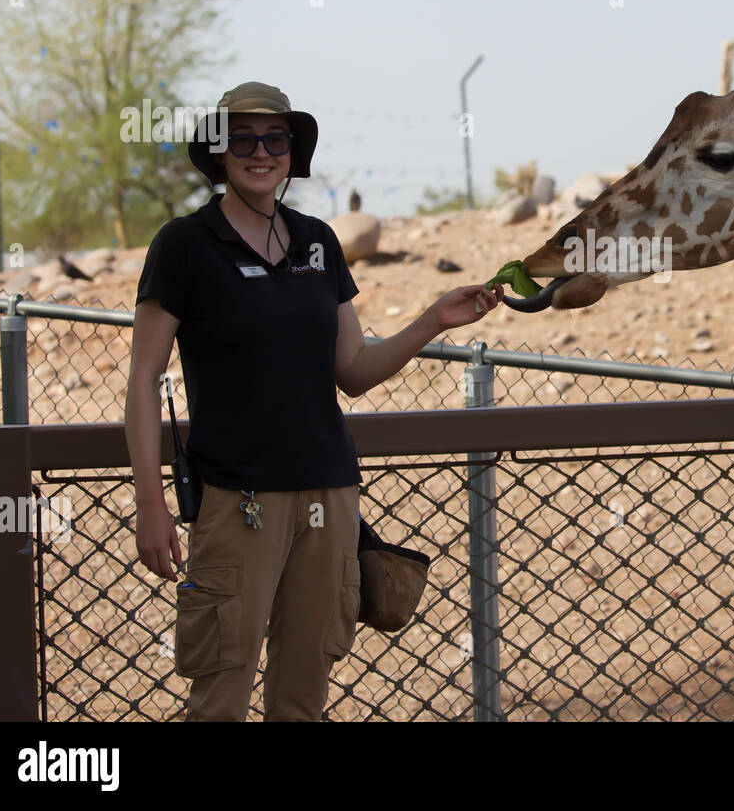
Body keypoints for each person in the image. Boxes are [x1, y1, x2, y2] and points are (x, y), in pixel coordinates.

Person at [124, 81, 503, 721]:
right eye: (241, 138)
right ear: (219, 152)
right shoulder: (183, 246)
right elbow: (142, 380)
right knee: (220, 690)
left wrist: (432, 320)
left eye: (275, 138)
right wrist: (149, 502)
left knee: (303, 695)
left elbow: (351, 370)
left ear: (292, 152)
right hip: (236, 501)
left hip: (330, 496)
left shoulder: (319, 243)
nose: (260, 151)